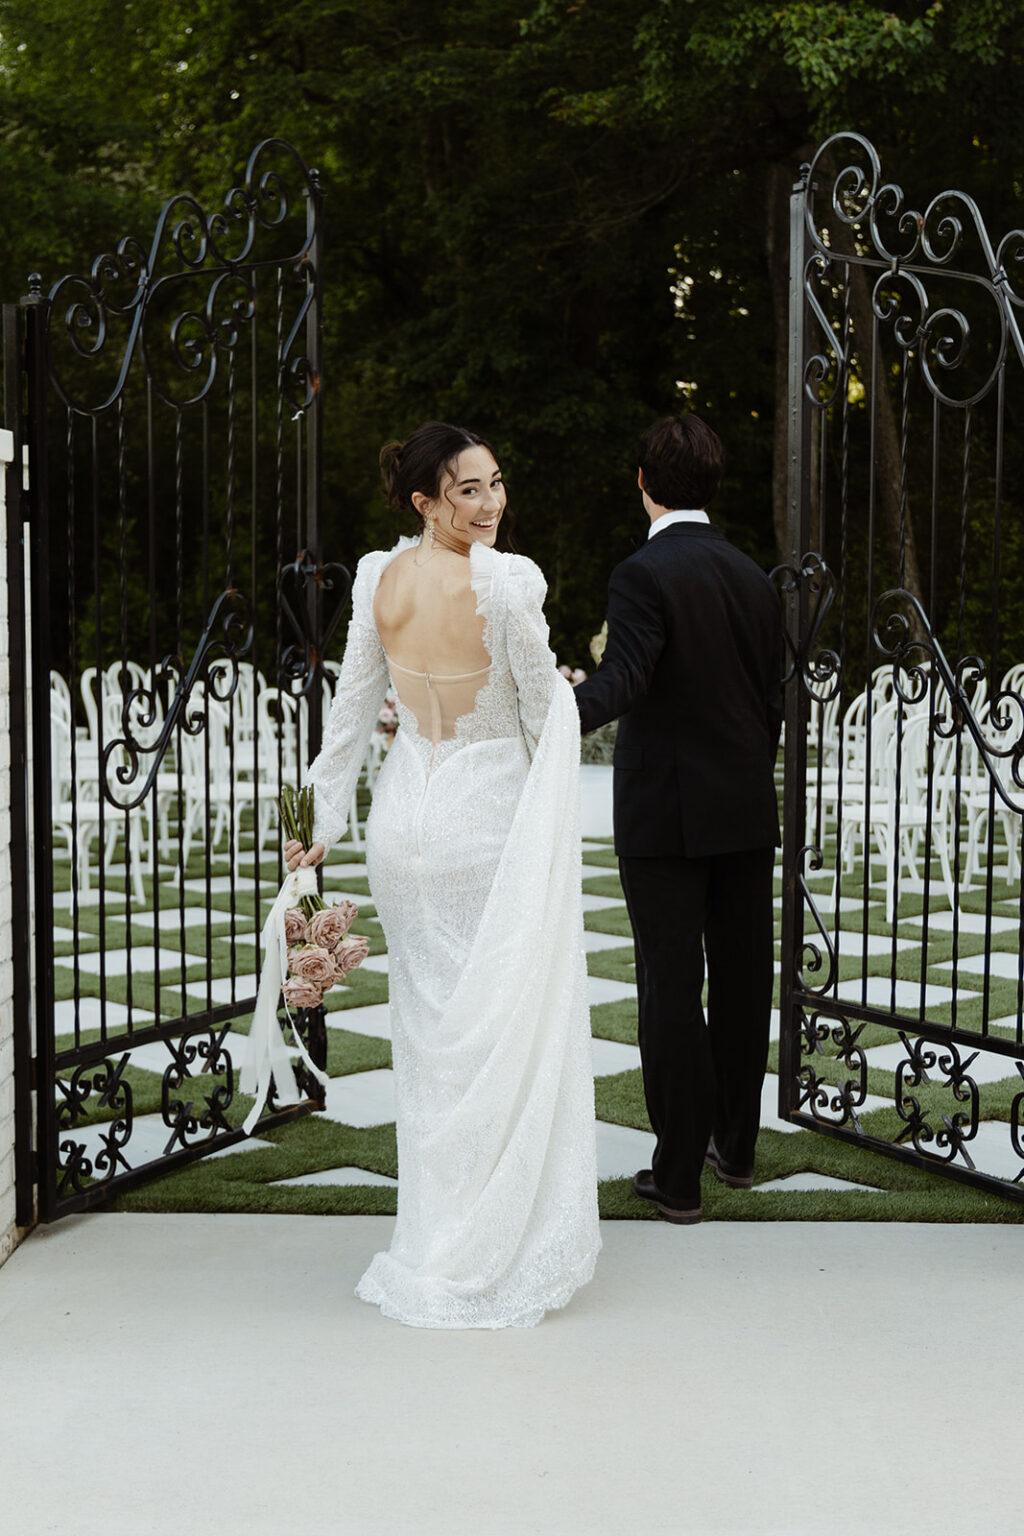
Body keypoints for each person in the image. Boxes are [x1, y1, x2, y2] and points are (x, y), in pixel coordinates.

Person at [286, 421, 600, 1328]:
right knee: (499, 1036)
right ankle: (487, 1246)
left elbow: (346, 722)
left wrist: (316, 824)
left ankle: (431, 1237)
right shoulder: (509, 582)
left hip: (402, 825)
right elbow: (547, 716)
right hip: (486, 823)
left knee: (428, 1041)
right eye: (469, 490)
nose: (492, 502)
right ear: (427, 501)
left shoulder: (376, 577)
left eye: (496, 482)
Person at [573, 414, 783, 1225]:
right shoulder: (753, 577)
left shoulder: (642, 572)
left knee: (670, 987)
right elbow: (771, 705)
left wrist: (549, 713)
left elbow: (622, 680)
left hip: (665, 816)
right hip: (743, 809)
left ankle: (678, 1176)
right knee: (740, 984)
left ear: (642, 481)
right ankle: (735, 1149)